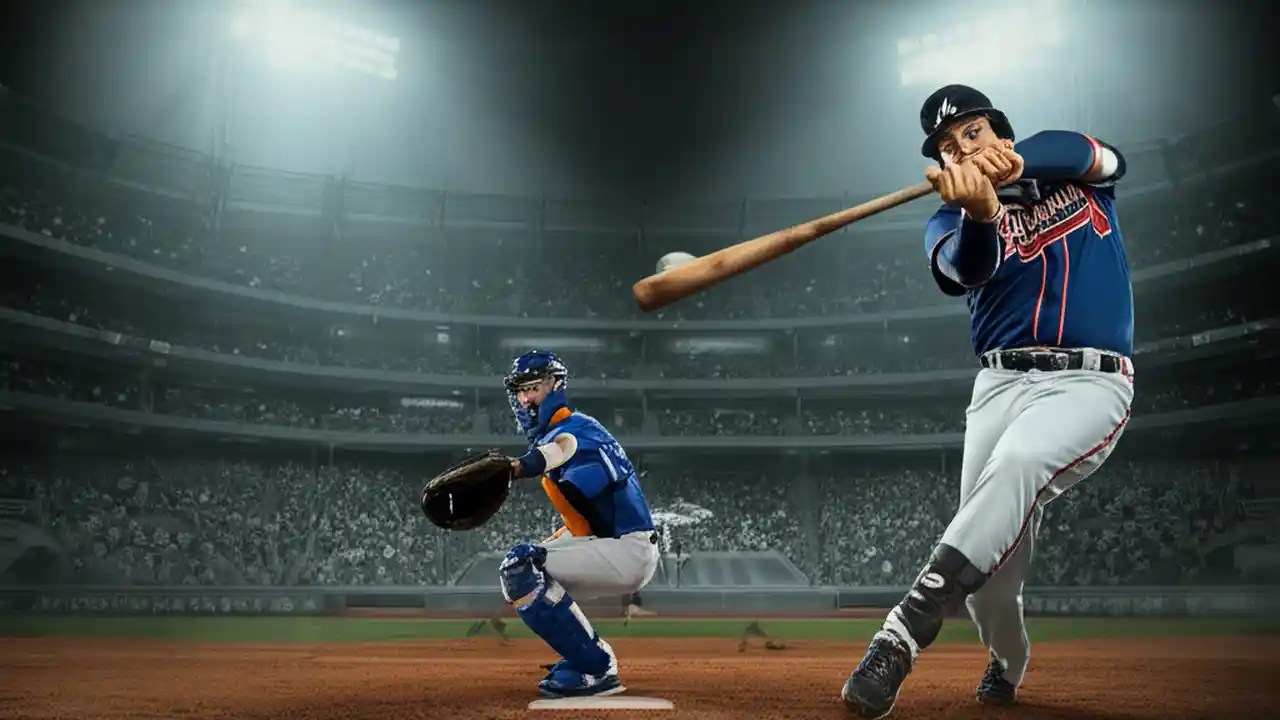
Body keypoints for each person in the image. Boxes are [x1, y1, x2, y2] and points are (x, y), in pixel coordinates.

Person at [840, 85, 1135, 718]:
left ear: (999, 131)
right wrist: (980, 213)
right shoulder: (945, 221)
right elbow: (967, 273)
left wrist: (1018, 163)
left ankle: (903, 631)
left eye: (971, 133)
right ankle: (1008, 660)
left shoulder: (1075, 177)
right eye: (948, 147)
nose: (961, 148)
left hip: (1089, 380)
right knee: (992, 584)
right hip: (999, 386)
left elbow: (1108, 157)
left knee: (1022, 461)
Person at [498, 349, 659, 698]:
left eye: (532, 389)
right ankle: (582, 656)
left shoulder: (575, 429)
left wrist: (518, 467)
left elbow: (562, 450)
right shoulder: (564, 431)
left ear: (555, 385)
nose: (525, 399)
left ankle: (597, 667)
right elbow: (586, 515)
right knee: (518, 568)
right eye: (520, 391)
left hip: (628, 548)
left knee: (521, 568)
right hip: (614, 541)